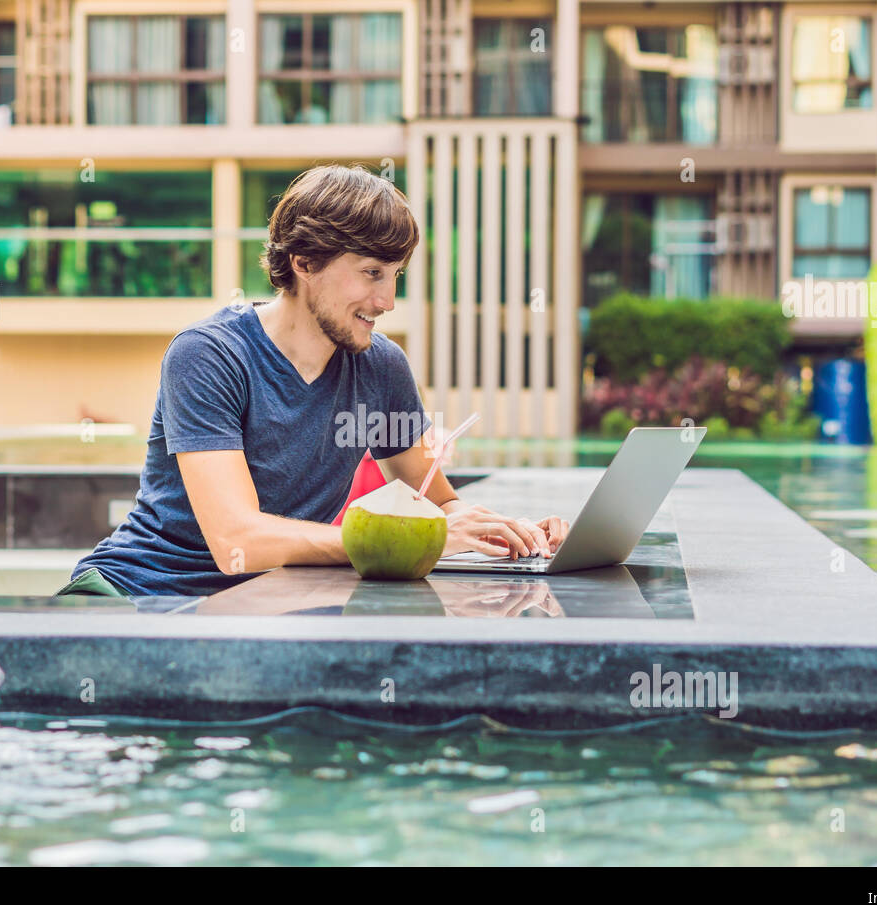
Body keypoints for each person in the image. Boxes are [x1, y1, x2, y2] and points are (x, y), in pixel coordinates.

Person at [60, 164, 568, 598]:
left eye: (396, 275)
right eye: (371, 273)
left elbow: (439, 505)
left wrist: (510, 534)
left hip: (266, 599)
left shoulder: (380, 365)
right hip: (141, 594)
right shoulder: (208, 355)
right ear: (304, 263)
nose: (388, 300)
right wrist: (421, 537)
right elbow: (238, 542)